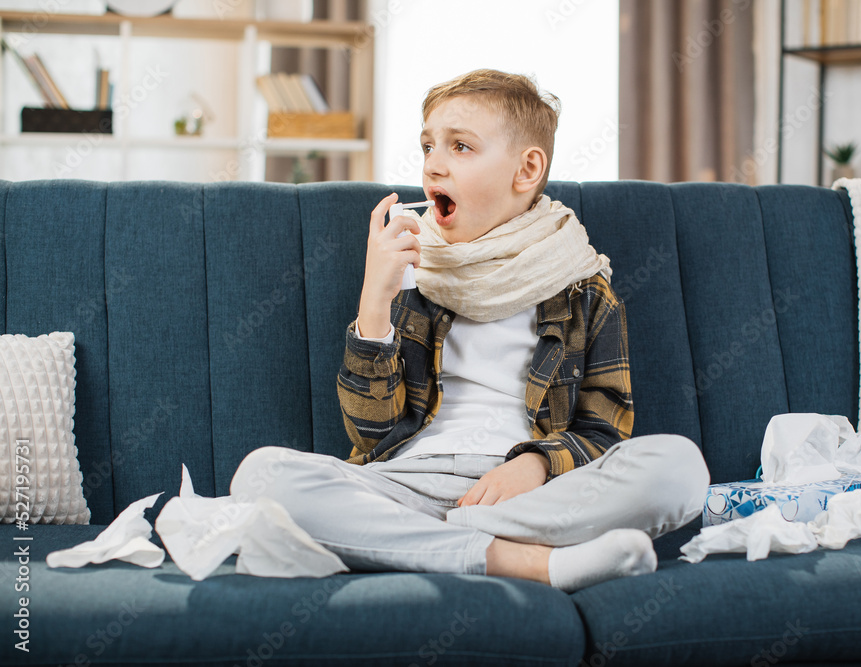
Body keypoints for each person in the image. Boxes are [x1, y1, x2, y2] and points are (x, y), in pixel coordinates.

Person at [231, 69, 709, 592]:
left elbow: (604, 430)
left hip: (528, 495)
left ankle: (429, 541)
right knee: (261, 476)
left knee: (681, 468)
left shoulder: (584, 287)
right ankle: (526, 562)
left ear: (526, 170)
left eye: (460, 146)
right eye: (428, 145)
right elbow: (373, 434)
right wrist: (375, 300)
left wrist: (535, 466)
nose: (434, 163)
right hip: (405, 483)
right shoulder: (410, 274)